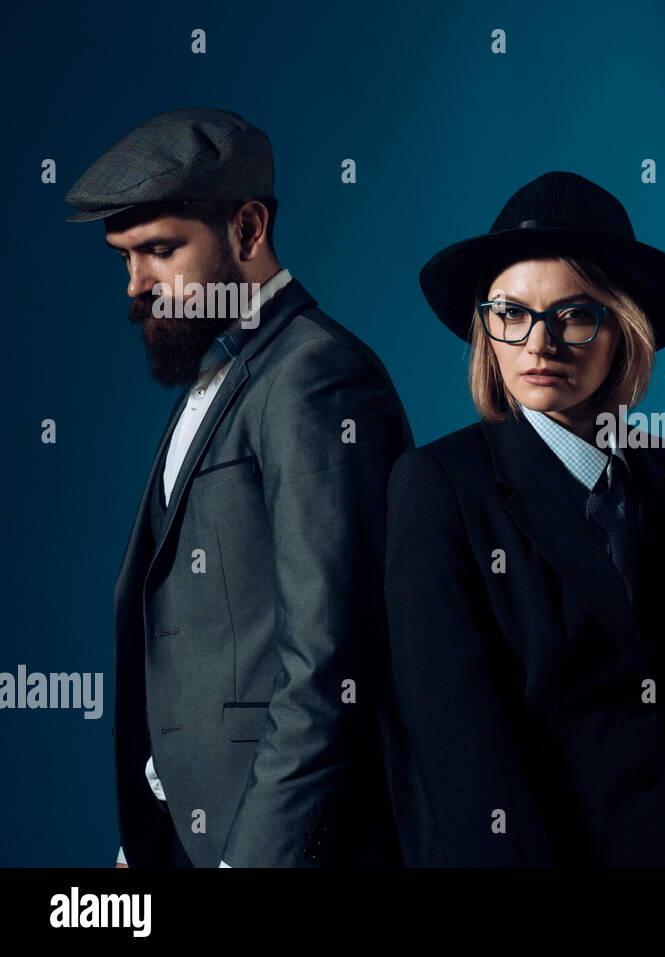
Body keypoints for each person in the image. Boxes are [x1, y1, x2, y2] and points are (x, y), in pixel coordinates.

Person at [383, 170, 665, 865]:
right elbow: (463, 756)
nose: (539, 342)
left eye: (574, 313)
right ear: (487, 330)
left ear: (625, 331)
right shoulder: (440, 487)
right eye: (511, 312)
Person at [66, 108, 412, 867]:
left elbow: (331, 662)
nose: (138, 286)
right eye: (124, 258)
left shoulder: (317, 376)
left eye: (160, 251)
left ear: (249, 230)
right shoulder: (213, 376)